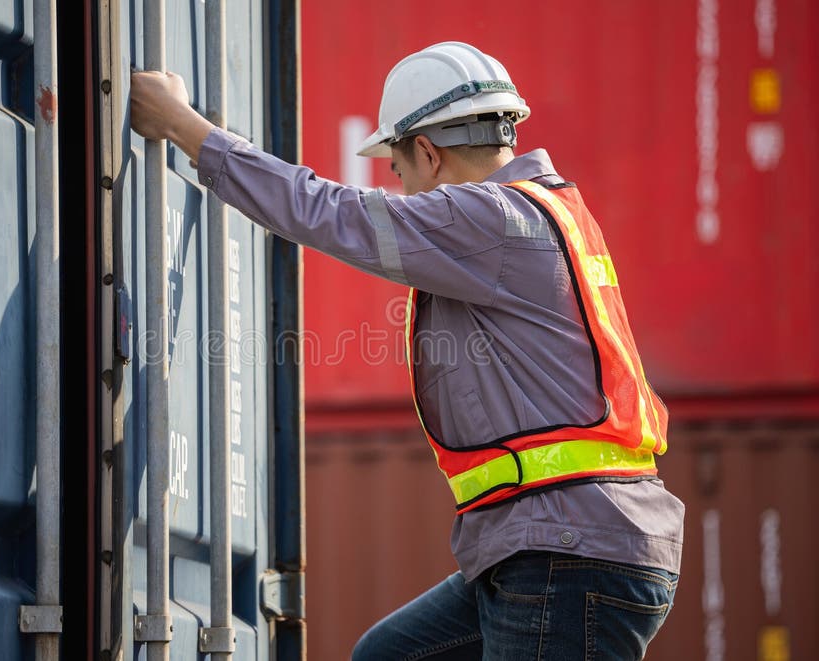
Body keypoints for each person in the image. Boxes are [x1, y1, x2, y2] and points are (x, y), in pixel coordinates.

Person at [131, 41, 684, 661]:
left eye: (398, 173)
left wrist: (185, 127)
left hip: (564, 549)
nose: (402, 188)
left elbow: (326, 212)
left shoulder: (489, 218)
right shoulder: (550, 211)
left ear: (426, 151)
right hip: (555, 542)